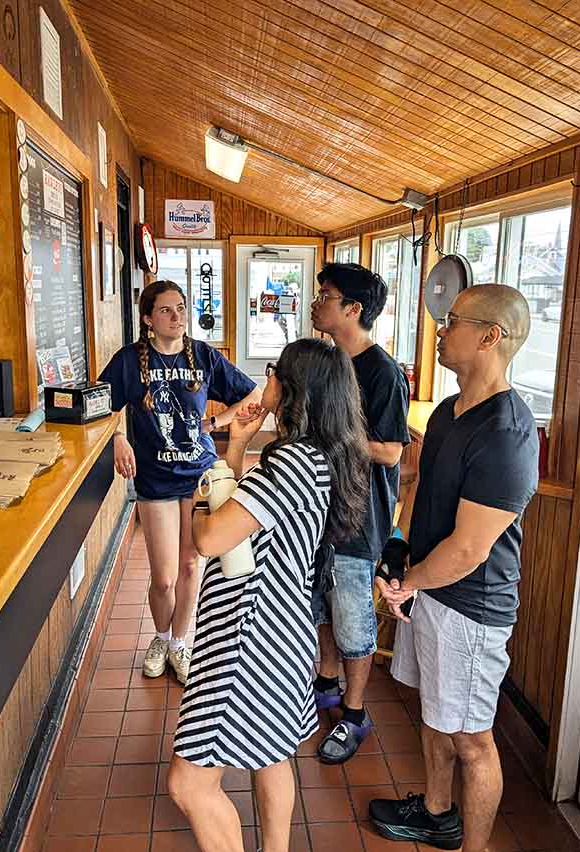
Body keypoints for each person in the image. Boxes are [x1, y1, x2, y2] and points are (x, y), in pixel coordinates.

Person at [167, 338, 370, 852]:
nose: (268, 380)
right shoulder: (320, 456)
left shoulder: (292, 464)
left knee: (188, 783)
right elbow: (243, 512)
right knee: (271, 754)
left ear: (295, 389)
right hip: (283, 631)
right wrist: (236, 445)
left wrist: (197, 503)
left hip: (249, 639)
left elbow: (211, 537)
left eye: (276, 372)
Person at [370, 284, 539, 852]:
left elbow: (469, 549)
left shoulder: (507, 434)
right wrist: (398, 550)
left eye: (453, 320)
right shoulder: (447, 410)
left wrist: (407, 585)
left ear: (490, 336)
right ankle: (438, 812)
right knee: (436, 715)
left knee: (472, 738)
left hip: (471, 607)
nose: (440, 329)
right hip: (430, 591)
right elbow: (421, 488)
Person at [99, 280, 260, 685]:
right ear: (148, 319)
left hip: (199, 475)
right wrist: (119, 435)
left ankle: (179, 643)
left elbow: (251, 393)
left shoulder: (203, 356)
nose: (177, 316)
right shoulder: (129, 361)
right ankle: (159, 636)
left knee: (192, 565)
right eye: (167, 310)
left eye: (181, 308)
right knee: (164, 576)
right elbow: (99, 405)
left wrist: (216, 422)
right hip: (154, 479)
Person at [310, 262, 411, 763]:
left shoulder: (383, 373)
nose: (316, 301)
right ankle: (326, 685)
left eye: (325, 295)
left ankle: (354, 715)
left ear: (353, 309)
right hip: (319, 515)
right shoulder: (328, 363)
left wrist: (336, 436)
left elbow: (392, 452)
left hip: (358, 520)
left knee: (353, 625)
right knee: (324, 611)